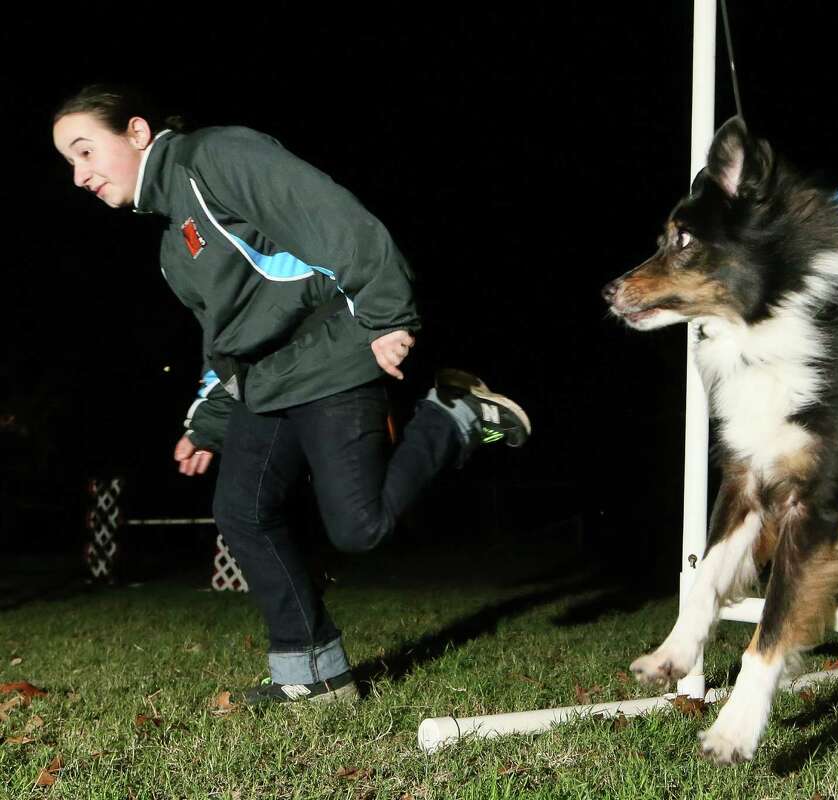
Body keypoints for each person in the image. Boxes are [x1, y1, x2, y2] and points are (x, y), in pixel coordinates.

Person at [52, 85, 531, 706]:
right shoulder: (173, 244)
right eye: (69, 162)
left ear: (137, 133)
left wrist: (386, 313)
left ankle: (454, 416)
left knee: (360, 528)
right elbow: (226, 342)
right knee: (243, 512)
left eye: (85, 151)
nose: (78, 175)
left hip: (333, 352)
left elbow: (331, 218)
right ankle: (313, 674)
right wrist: (207, 423)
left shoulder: (216, 157)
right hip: (268, 382)